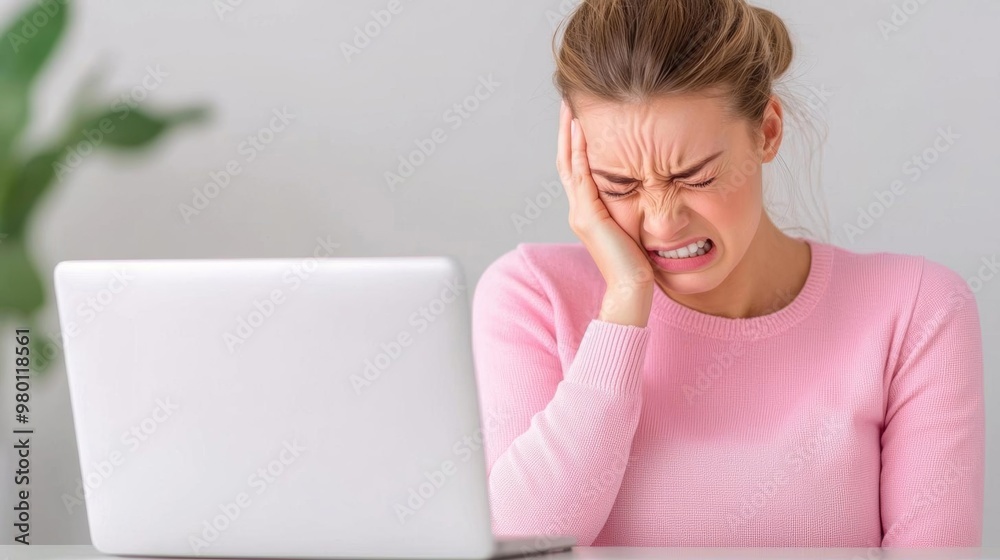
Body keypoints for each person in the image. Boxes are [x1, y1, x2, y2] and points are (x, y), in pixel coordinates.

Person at [470, 0, 984, 548]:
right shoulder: (532, 295)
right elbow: (518, 542)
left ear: (767, 131)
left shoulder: (916, 310)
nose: (662, 222)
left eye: (695, 177)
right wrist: (624, 303)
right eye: (619, 186)